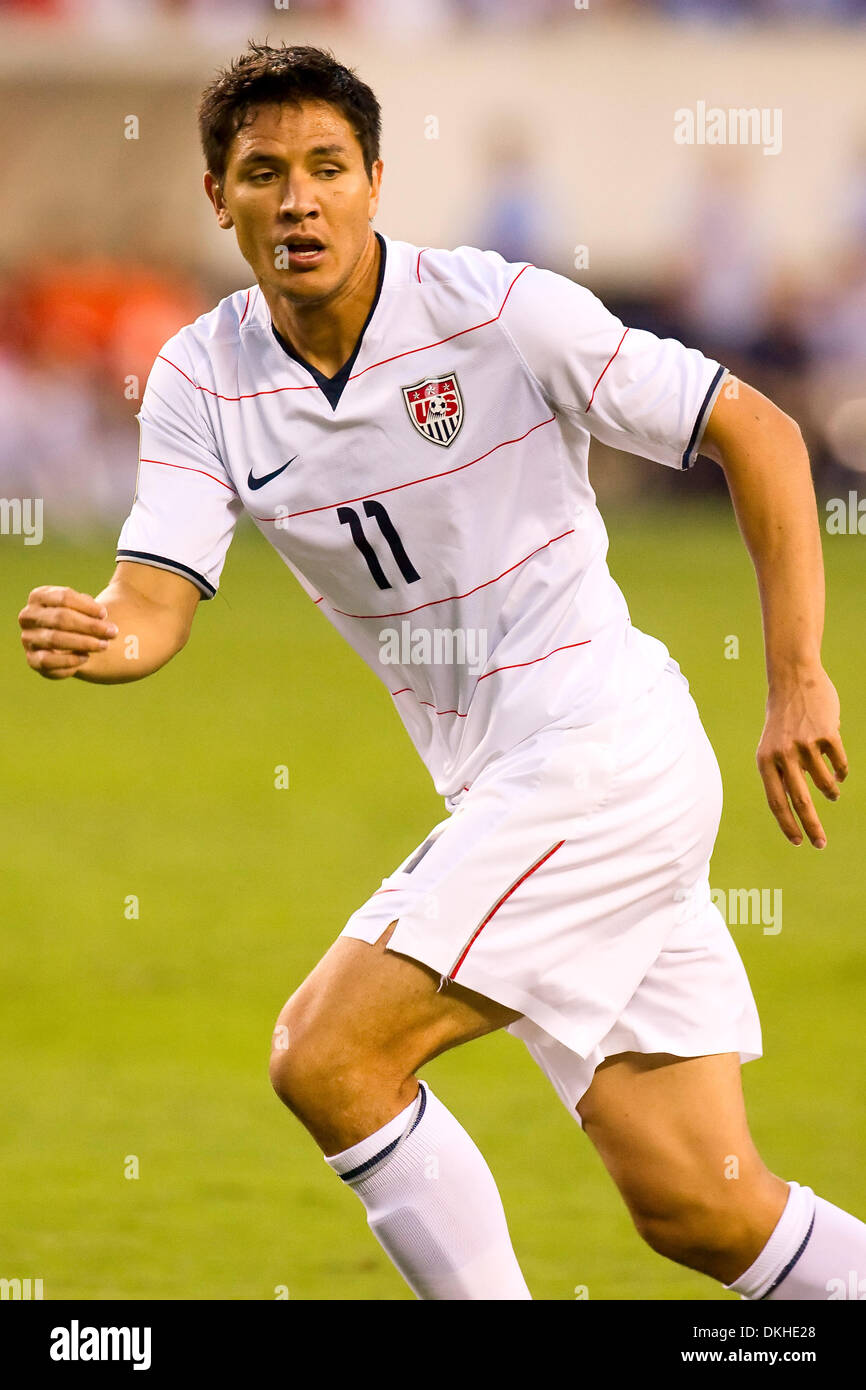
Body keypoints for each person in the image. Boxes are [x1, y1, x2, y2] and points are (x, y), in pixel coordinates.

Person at [18, 42, 864, 1301]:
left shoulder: (498, 311)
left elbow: (759, 427)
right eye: (263, 174)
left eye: (324, 168)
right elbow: (157, 596)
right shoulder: (200, 377)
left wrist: (795, 675)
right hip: (529, 789)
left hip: (598, 753)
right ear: (218, 197)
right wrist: (108, 634)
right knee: (701, 1203)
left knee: (327, 1056)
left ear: (372, 183)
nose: (296, 199)